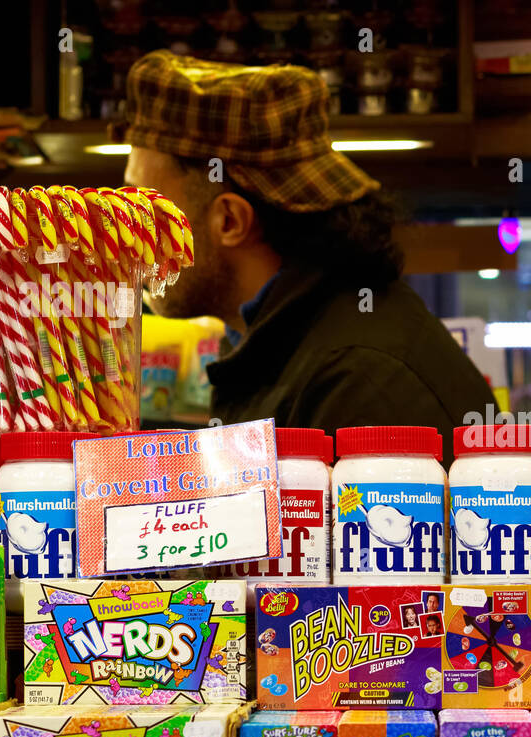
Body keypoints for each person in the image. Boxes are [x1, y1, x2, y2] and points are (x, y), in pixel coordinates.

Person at [122, 52, 494, 458]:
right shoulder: (279, 338)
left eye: (145, 209)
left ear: (229, 220)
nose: (129, 235)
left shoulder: (358, 378)